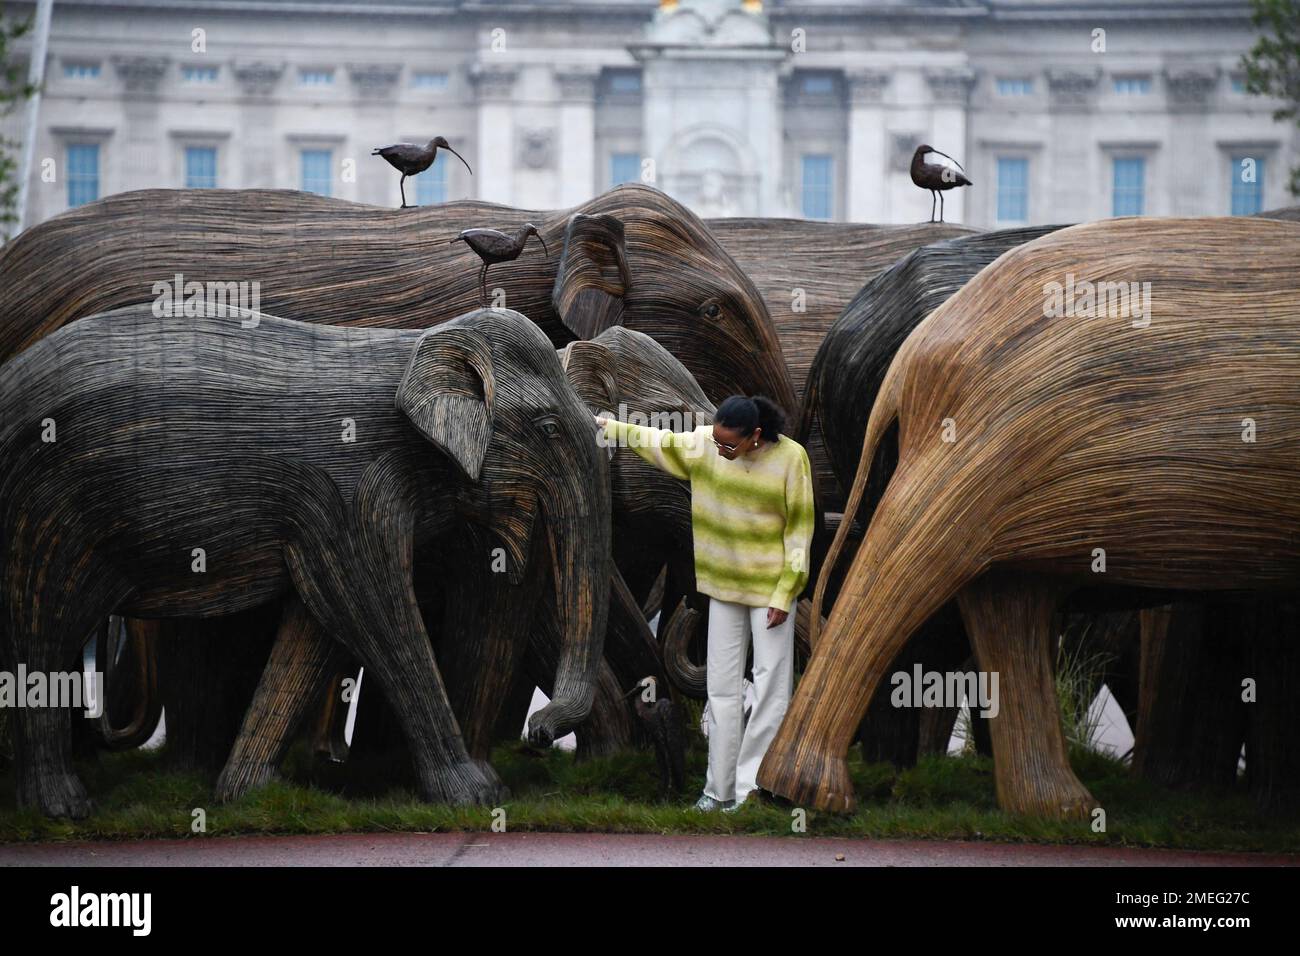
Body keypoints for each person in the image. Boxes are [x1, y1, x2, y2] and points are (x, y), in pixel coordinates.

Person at [594, 395, 815, 812]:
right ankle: (718, 790)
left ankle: (751, 790)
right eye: (715, 440)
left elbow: (800, 531)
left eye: (728, 444)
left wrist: (787, 591)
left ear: (755, 436)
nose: (719, 449)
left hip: (771, 593)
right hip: (723, 588)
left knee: (771, 688)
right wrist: (613, 427)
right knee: (722, 689)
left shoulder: (791, 459)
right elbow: (662, 440)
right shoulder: (706, 445)